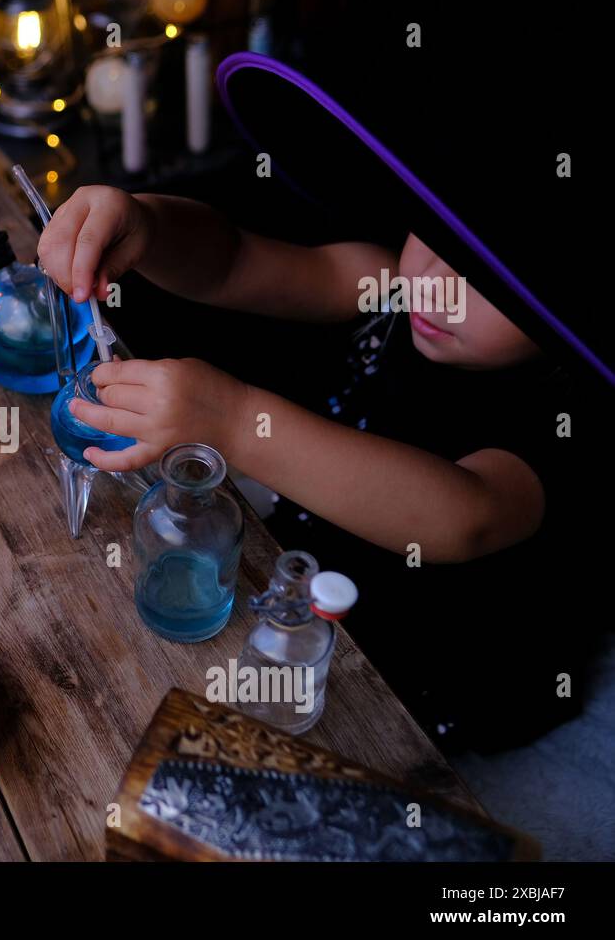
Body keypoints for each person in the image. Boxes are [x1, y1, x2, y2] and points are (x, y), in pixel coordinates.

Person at [38, 185, 591, 750]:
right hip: (306, 557)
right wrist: (148, 223)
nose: (433, 283)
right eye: (438, 233)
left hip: (446, 636)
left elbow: (463, 516)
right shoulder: (389, 283)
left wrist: (235, 419)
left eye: (486, 280)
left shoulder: (568, 416)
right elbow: (232, 263)